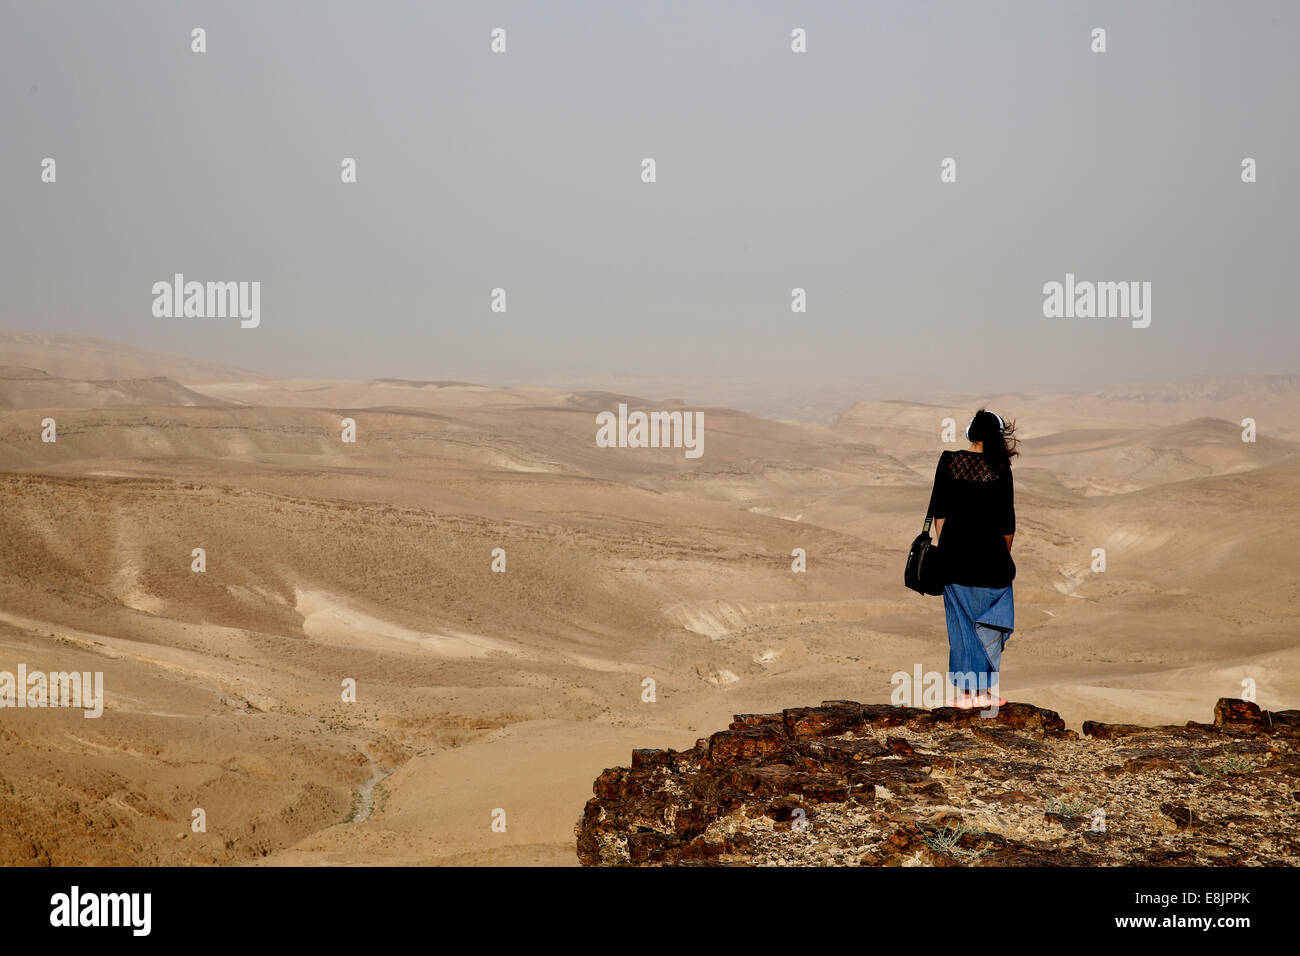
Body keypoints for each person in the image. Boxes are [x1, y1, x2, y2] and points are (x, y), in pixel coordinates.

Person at [927, 409, 1019, 709]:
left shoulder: (948, 461)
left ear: (970, 432)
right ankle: (982, 693)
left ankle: (968, 695)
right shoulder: (1001, 469)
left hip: (953, 562)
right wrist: (999, 556)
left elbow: (938, 512)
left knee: (962, 627)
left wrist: (949, 549)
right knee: (991, 625)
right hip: (992, 564)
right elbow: (1007, 525)